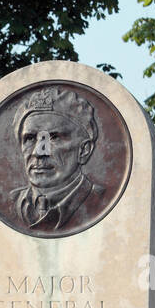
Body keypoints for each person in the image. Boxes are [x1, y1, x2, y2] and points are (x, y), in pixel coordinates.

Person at [9, 86, 103, 233]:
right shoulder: (10, 201)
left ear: (84, 150)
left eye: (54, 138)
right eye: (30, 139)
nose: (38, 151)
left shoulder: (100, 201)